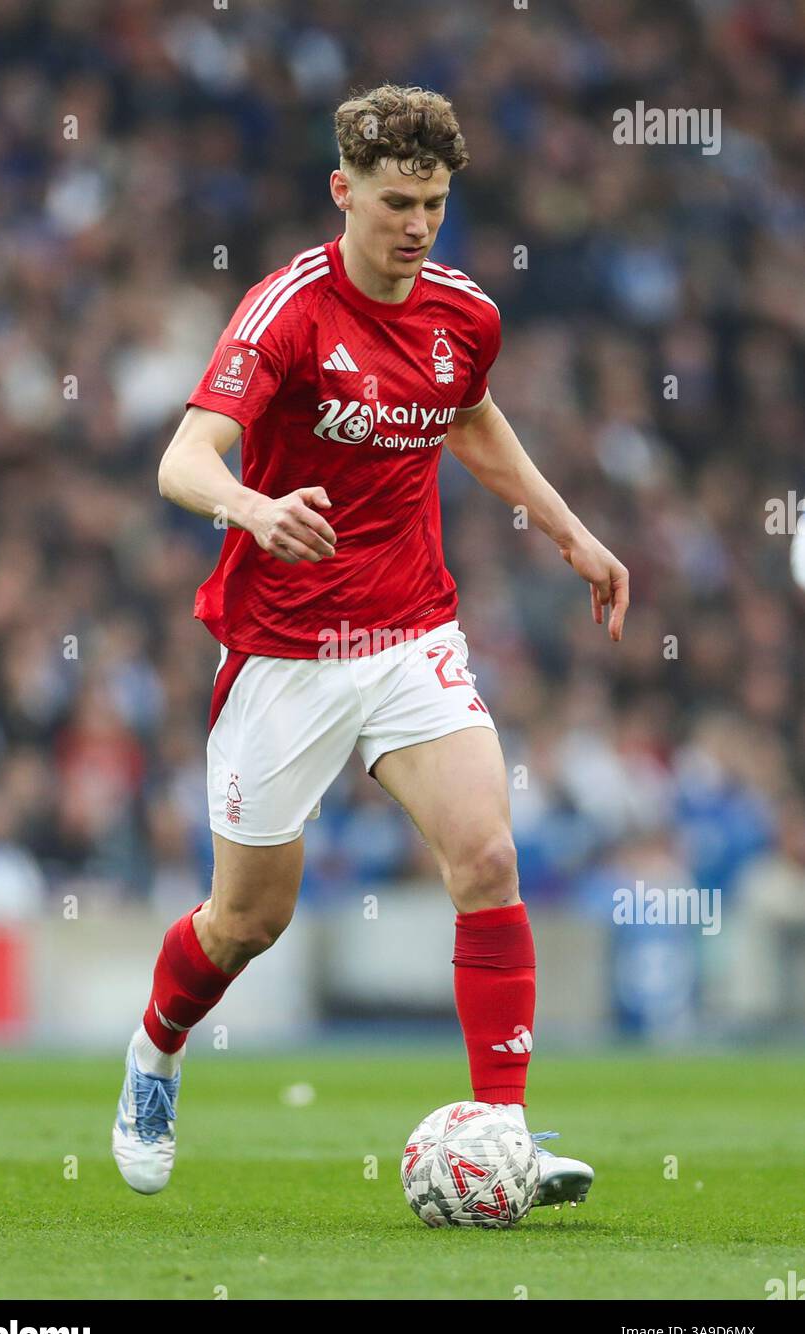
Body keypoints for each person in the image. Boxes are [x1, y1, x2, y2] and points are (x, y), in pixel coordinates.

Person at [112, 84, 629, 1208]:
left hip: (407, 629)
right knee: (248, 919)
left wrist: (570, 530)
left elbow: (468, 414)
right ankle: (154, 1053)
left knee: (486, 856)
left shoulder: (463, 314)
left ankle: (502, 1128)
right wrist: (252, 509)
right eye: (395, 201)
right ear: (341, 190)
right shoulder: (284, 311)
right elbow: (183, 459)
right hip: (282, 648)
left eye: (434, 204)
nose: (416, 225)